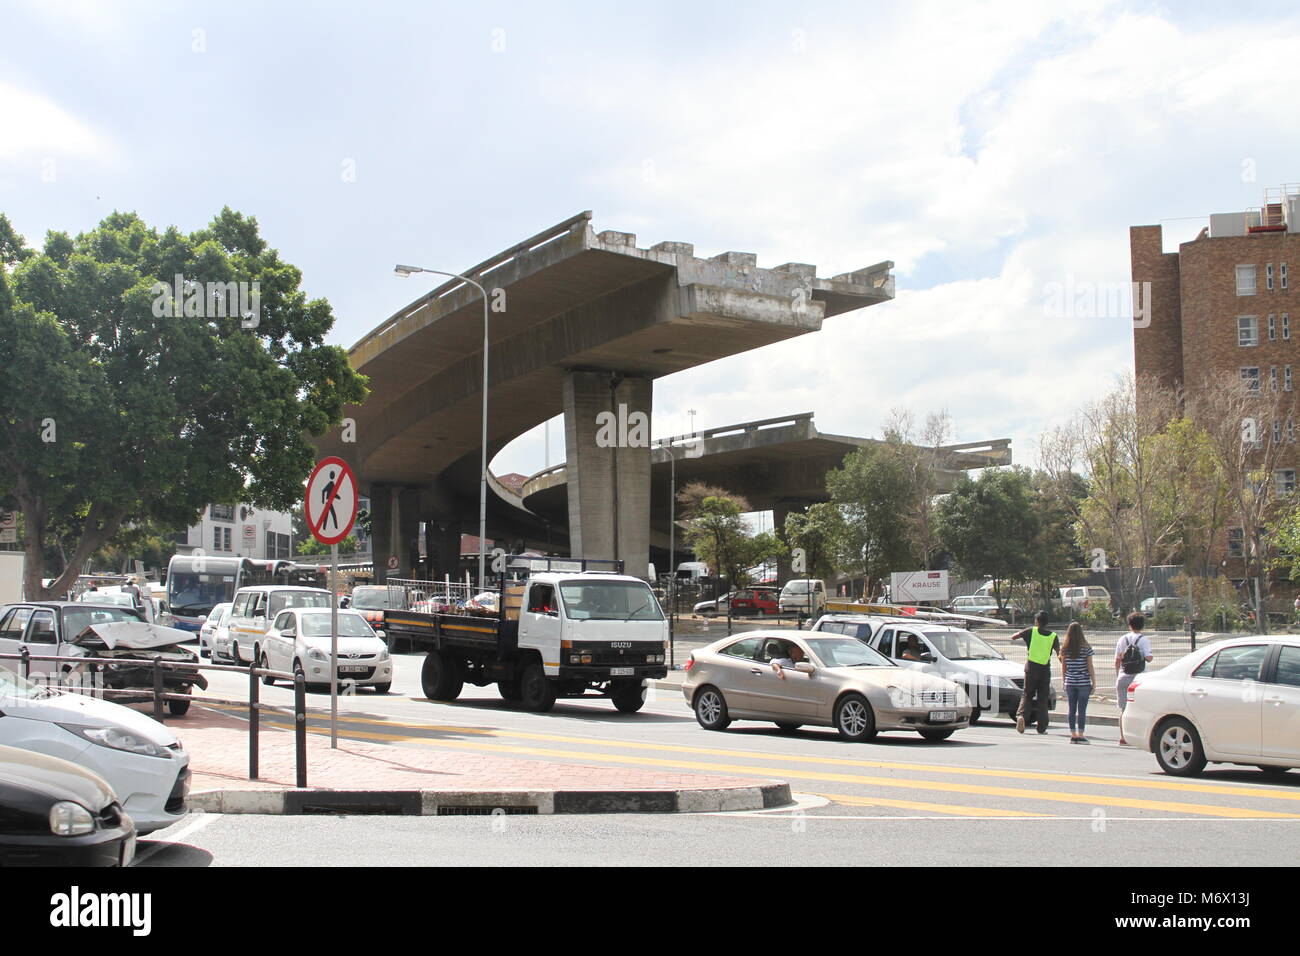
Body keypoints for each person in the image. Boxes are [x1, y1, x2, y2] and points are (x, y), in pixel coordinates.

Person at [1010, 610, 1060, 734]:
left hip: (1031, 668)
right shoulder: (1053, 636)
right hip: (1044, 669)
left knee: (1027, 693)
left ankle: (1021, 716)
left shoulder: (1031, 631)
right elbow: (1059, 652)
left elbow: (1014, 637)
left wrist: (1023, 635)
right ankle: (1042, 727)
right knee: (1043, 698)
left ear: (1037, 621)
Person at [1115, 612, 1153, 746]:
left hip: (1123, 677)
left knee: (1123, 709)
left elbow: (1117, 660)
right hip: (1139, 679)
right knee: (1140, 709)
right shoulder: (1144, 640)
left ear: (1129, 624)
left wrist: (1117, 674)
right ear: (1142, 625)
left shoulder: (1122, 639)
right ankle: (1137, 736)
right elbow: (1149, 657)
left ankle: (1123, 737)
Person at [1060, 622, 1095, 744]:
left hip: (1070, 681)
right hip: (1083, 682)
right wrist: (1093, 682)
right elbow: (1090, 666)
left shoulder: (1065, 648)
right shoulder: (1086, 648)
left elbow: (1064, 667)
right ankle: (1081, 734)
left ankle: (1073, 734)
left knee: (1071, 709)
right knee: (1082, 709)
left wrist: (1064, 681)